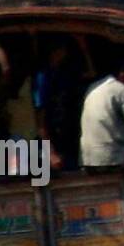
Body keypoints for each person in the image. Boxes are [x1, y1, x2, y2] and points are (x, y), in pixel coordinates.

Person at [32, 37, 94, 172]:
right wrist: (51, 152)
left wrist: (84, 48)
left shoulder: (65, 72)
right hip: (53, 137)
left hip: (69, 133)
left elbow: (90, 74)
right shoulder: (43, 77)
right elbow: (40, 120)